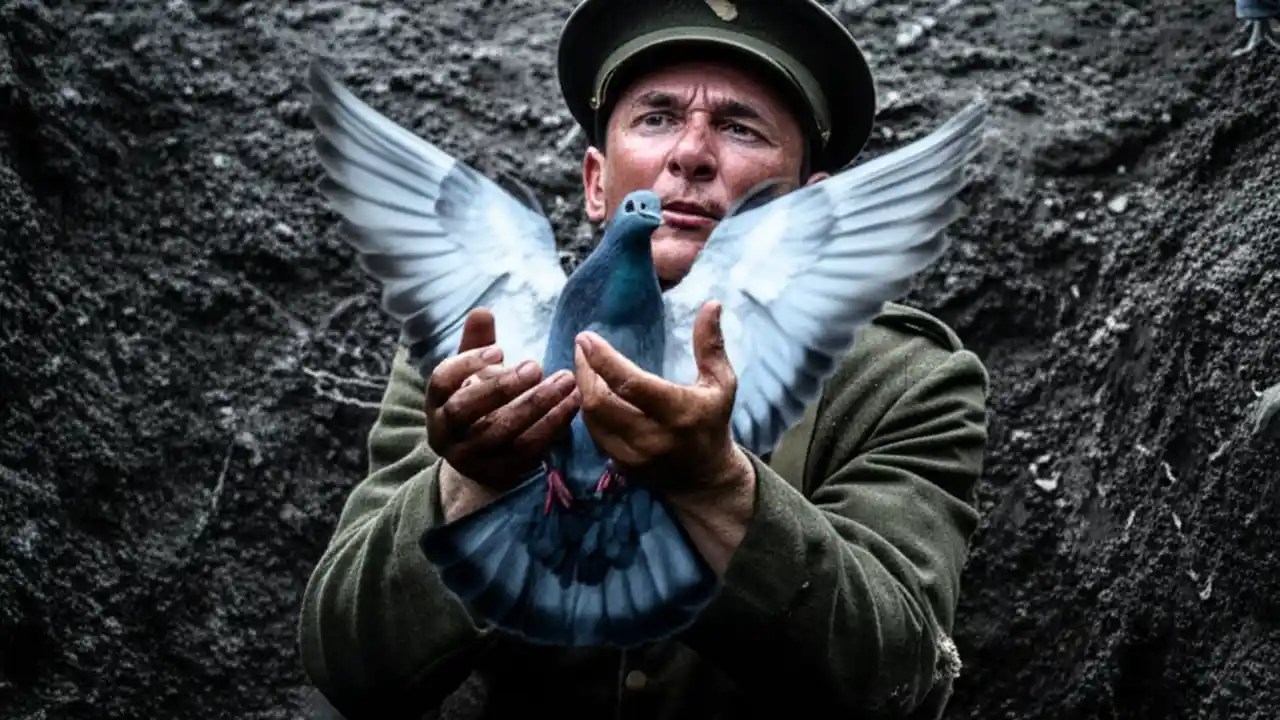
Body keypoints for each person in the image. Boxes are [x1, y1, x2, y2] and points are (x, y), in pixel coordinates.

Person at [297, 0, 990, 718]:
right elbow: (343, 663)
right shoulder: (484, 359)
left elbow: (899, 682)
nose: (690, 154)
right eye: (657, 118)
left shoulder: (904, 384)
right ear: (597, 183)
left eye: (739, 126)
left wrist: (717, 488)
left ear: (809, 212)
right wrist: (471, 480)